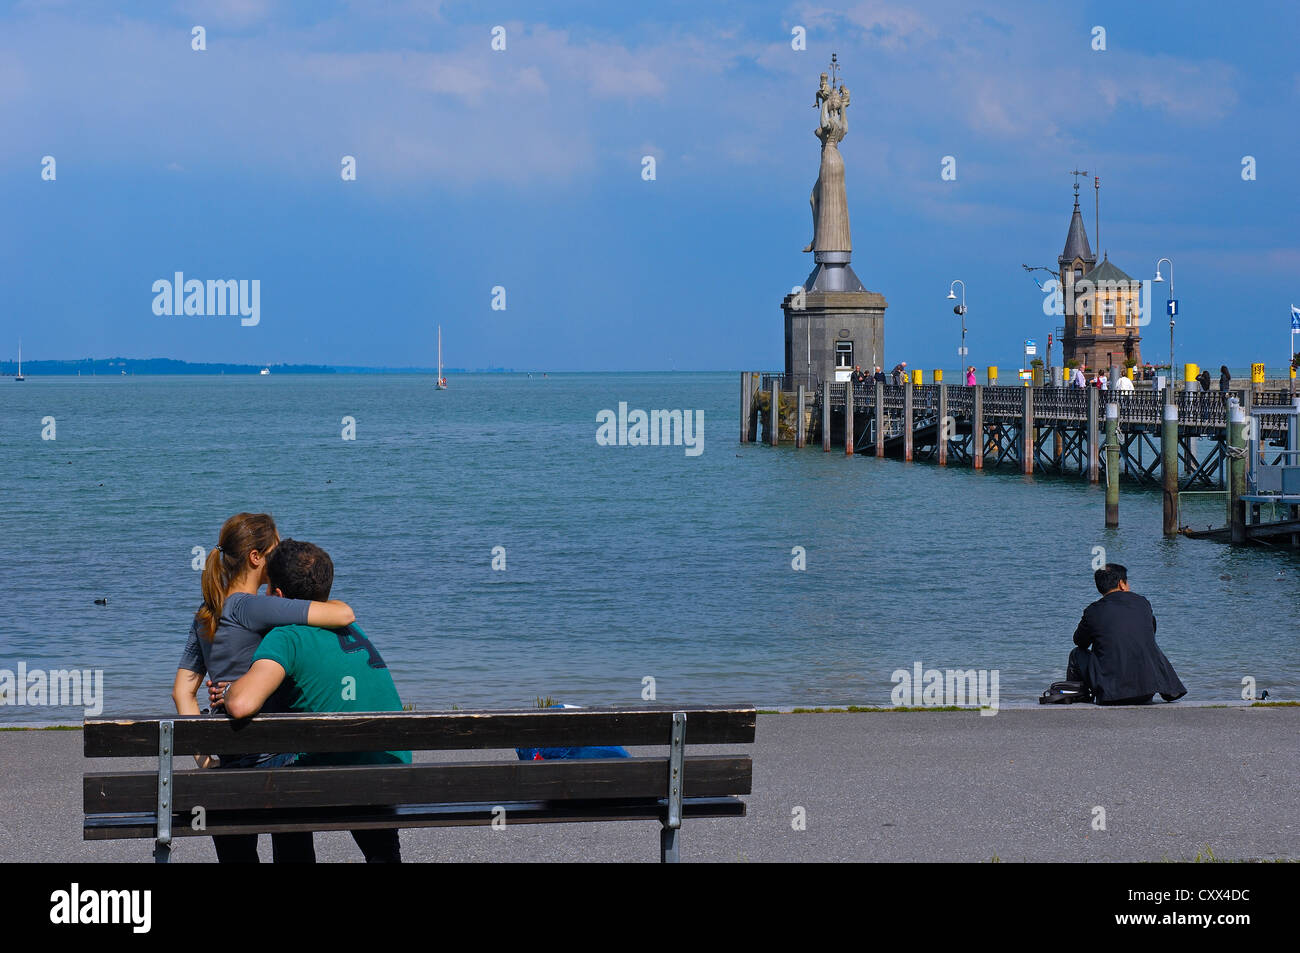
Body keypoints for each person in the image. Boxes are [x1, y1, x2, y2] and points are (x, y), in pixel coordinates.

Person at [172, 512, 356, 863]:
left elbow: (182, 691)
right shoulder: (251, 606)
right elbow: (344, 614)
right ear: (256, 557)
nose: (281, 554)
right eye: (275, 548)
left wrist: (204, 758)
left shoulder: (206, 611)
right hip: (274, 759)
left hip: (226, 762)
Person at [220, 539, 410, 863]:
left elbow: (241, 704)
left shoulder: (287, 635)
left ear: (278, 597)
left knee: (270, 778)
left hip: (334, 780)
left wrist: (227, 690)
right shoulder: (354, 630)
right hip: (390, 770)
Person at [1067, 564, 1187, 705]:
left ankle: (1078, 698)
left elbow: (1080, 642)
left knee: (1076, 654)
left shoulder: (1093, 611)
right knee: (1146, 645)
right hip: (1146, 693)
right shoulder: (1142, 603)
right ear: (1122, 584)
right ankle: (1170, 689)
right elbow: (1151, 632)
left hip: (1110, 696)